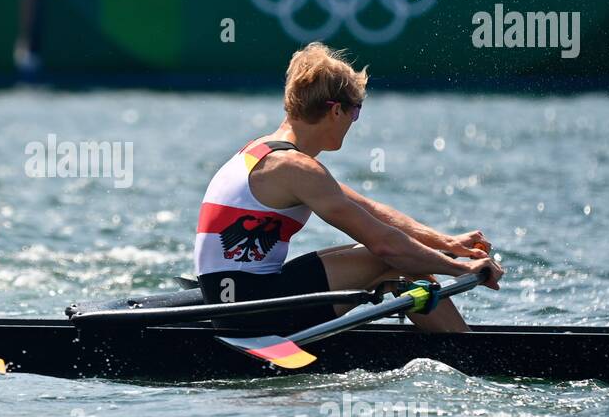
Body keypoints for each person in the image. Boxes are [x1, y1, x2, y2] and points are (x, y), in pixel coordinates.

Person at [194, 42, 502, 332]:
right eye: (355, 111)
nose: (354, 121)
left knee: (399, 254)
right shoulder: (295, 167)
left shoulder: (265, 153)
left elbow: (376, 214)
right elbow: (385, 246)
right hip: (247, 315)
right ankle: (468, 354)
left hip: (232, 300)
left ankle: (459, 342)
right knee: (391, 258)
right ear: (335, 111)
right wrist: (460, 270)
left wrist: (448, 242)